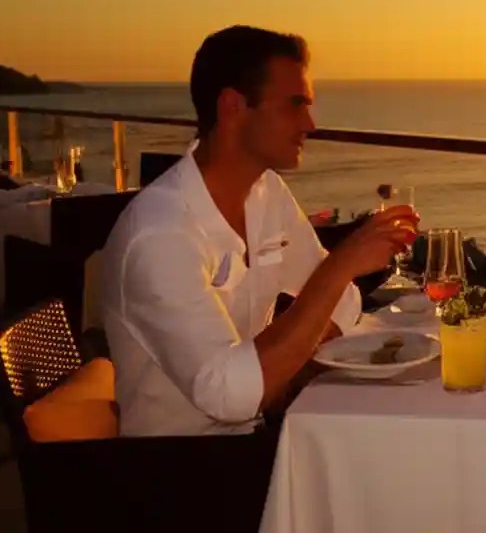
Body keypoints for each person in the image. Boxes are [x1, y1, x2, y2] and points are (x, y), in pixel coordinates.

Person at [100, 25, 417, 436]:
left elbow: (344, 301)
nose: (310, 124)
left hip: (260, 435)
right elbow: (228, 396)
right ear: (233, 106)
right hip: (181, 464)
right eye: (295, 105)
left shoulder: (267, 194)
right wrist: (342, 265)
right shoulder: (159, 234)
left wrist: (284, 370)